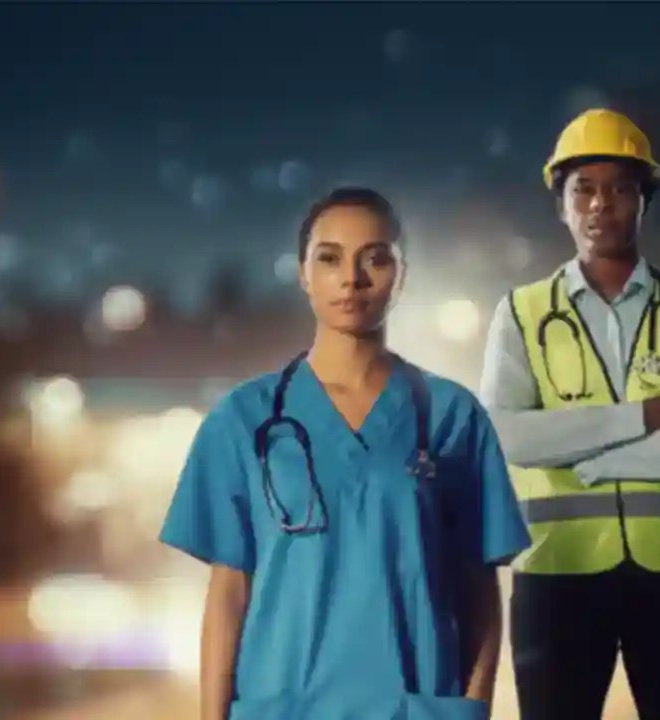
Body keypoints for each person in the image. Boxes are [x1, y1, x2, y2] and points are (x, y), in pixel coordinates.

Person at [160, 186, 532, 720]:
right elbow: (228, 595)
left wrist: (472, 709)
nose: (352, 279)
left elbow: (480, 593)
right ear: (304, 274)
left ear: (400, 276)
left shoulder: (451, 416)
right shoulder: (244, 420)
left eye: (375, 259)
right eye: (330, 258)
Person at [479, 108, 660, 719]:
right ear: (561, 203)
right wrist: (645, 416)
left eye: (620, 188)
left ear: (645, 201)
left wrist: (582, 454)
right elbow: (506, 435)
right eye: (582, 188)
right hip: (557, 569)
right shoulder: (523, 312)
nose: (600, 204)